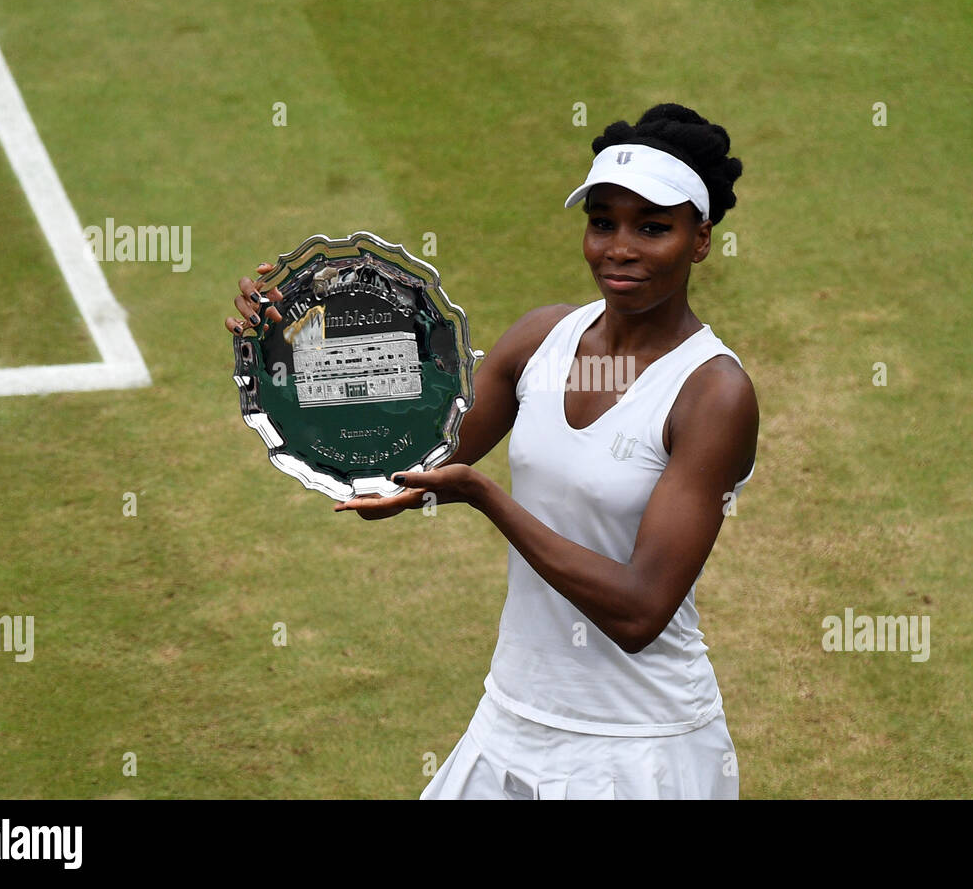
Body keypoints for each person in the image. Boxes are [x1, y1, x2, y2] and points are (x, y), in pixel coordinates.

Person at [225, 103, 758, 799]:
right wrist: (285, 348)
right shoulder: (542, 338)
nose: (619, 247)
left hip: (639, 749)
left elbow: (640, 610)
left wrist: (485, 496)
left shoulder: (713, 394)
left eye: (652, 227)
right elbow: (391, 477)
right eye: (603, 222)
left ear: (700, 239)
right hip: (509, 721)